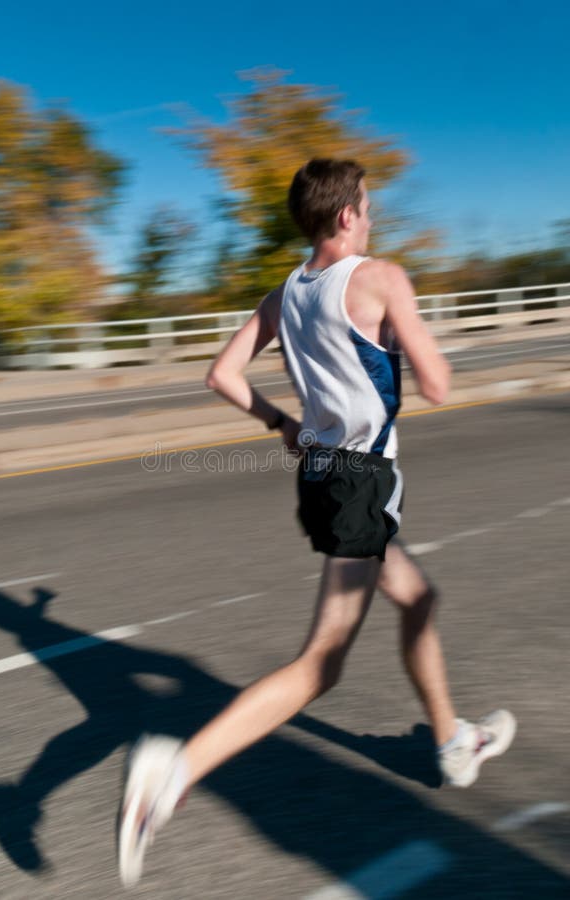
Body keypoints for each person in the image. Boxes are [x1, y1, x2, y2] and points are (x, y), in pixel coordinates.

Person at [117, 158, 516, 887]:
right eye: (366, 206)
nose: (371, 216)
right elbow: (435, 383)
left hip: (321, 477)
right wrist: (399, 339)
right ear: (344, 217)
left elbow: (221, 375)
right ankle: (171, 773)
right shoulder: (380, 278)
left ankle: (451, 739)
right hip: (360, 483)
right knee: (321, 662)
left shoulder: (285, 294)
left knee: (419, 598)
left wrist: (282, 422)